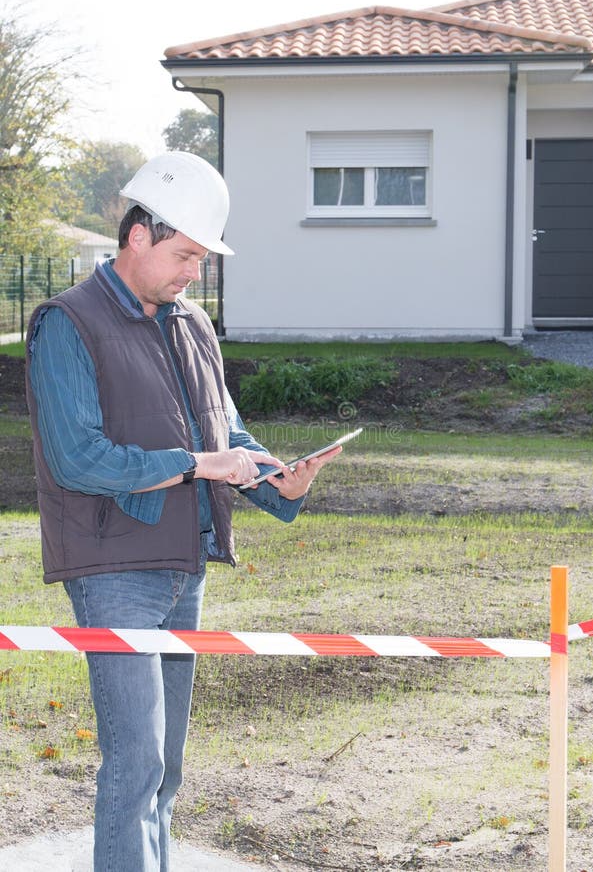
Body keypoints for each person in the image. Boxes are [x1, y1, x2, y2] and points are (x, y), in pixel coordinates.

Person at [25, 152, 341, 872]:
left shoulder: (194, 323)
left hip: (183, 566)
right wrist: (197, 464)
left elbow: (226, 435)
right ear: (139, 236)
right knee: (134, 765)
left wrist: (280, 484)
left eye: (201, 258)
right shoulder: (66, 323)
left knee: (166, 769)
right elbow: (78, 458)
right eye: (186, 255)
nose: (194, 272)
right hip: (114, 570)